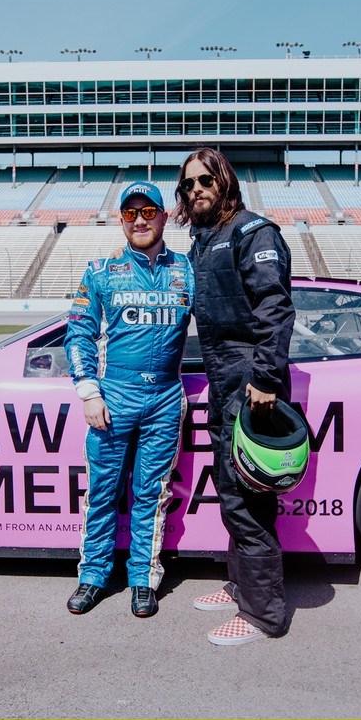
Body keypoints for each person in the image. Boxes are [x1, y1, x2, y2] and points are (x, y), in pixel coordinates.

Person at [173, 147, 296, 646]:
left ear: (224, 181)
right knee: (232, 494)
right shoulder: (202, 242)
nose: (196, 189)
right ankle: (241, 583)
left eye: (205, 180)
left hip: (251, 387)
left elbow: (275, 308)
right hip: (224, 382)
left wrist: (265, 379)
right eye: (187, 185)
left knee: (248, 503)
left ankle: (263, 614)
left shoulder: (253, 232)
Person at [63, 180, 194, 618]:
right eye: (130, 214)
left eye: (148, 211)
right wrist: (88, 391)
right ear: (121, 220)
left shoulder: (188, 271)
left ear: (164, 215)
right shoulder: (100, 270)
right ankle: (93, 576)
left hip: (165, 395)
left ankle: (143, 578)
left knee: (151, 494)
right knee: (102, 491)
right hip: (113, 396)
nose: (140, 220)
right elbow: (79, 332)